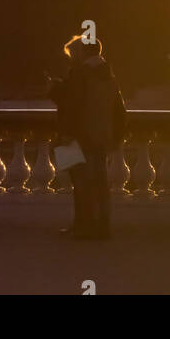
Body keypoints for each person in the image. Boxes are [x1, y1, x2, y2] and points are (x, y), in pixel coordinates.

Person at [49, 35, 126, 239]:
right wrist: (116, 137)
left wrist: (55, 91)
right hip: (101, 135)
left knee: (81, 183)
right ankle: (102, 227)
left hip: (78, 136)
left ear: (82, 52)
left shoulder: (80, 73)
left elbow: (72, 106)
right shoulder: (108, 74)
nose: (71, 57)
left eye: (73, 53)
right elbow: (119, 110)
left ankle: (83, 226)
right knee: (100, 183)